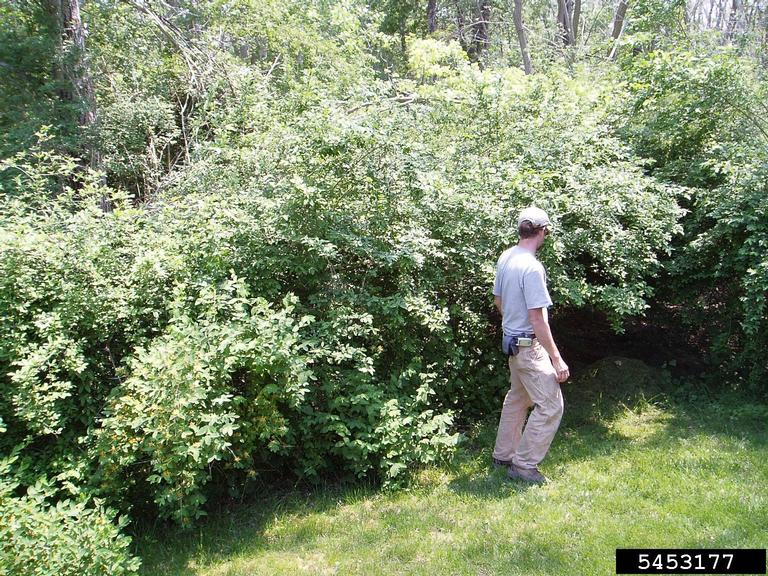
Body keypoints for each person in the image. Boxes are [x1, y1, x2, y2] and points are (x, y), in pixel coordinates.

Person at [491, 206, 570, 484]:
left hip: (511, 343)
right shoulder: (532, 267)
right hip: (528, 348)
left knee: (518, 398)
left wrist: (512, 325)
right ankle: (523, 466)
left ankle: (504, 454)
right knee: (551, 406)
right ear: (542, 231)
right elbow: (537, 319)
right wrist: (557, 359)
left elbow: (498, 300)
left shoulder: (507, 257)